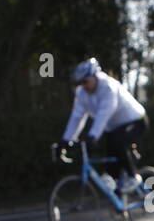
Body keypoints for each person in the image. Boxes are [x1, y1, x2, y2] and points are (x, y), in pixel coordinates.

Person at [60, 57, 148, 192]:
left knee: (117, 142)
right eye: (80, 83)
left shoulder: (108, 87)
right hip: (113, 127)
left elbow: (103, 114)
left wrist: (93, 136)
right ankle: (119, 201)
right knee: (110, 162)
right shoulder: (82, 93)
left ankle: (133, 176)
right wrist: (66, 139)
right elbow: (76, 117)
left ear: (94, 76)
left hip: (135, 121)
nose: (83, 85)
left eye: (85, 81)